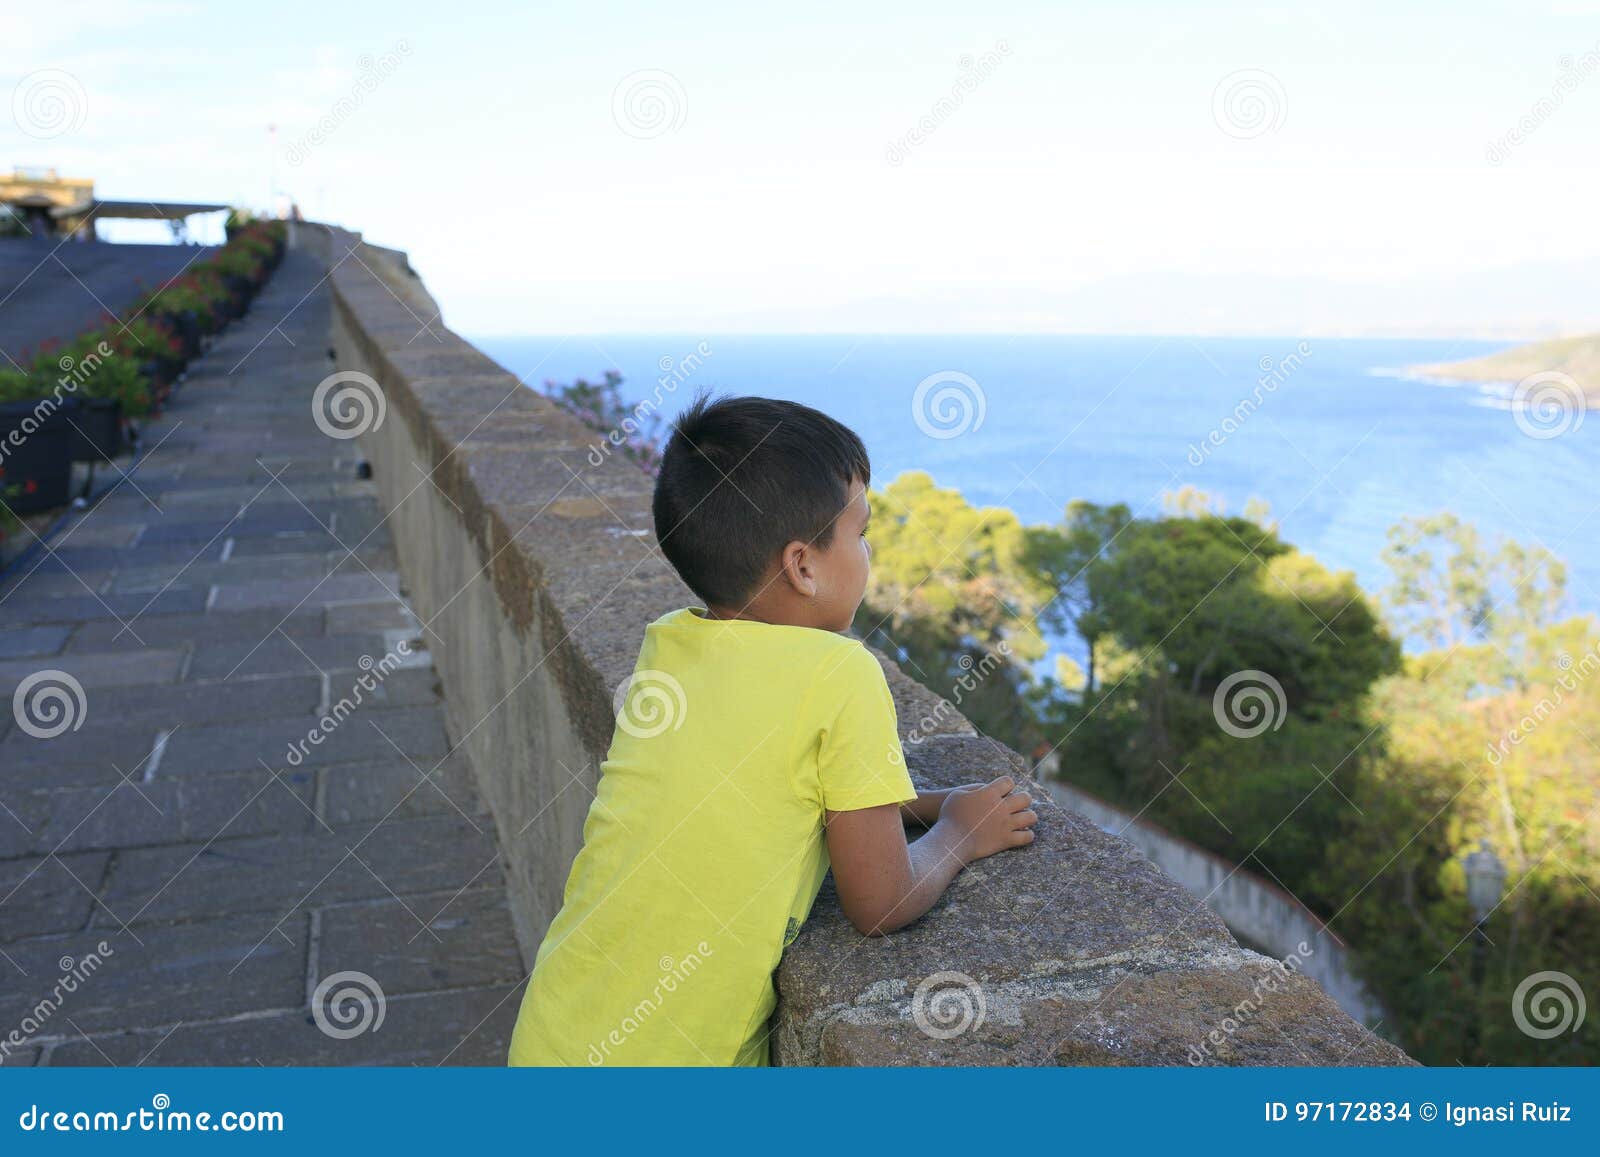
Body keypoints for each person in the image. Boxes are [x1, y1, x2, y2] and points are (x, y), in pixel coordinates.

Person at [507, 393, 1037, 1066]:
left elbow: (761, 783)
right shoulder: (842, 674)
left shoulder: (669, 644)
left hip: (554, 1031)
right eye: (860, 531)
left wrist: (919, 797)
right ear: (803, 565)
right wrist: (959, 833)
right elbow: (878, 900)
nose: (869, 551)